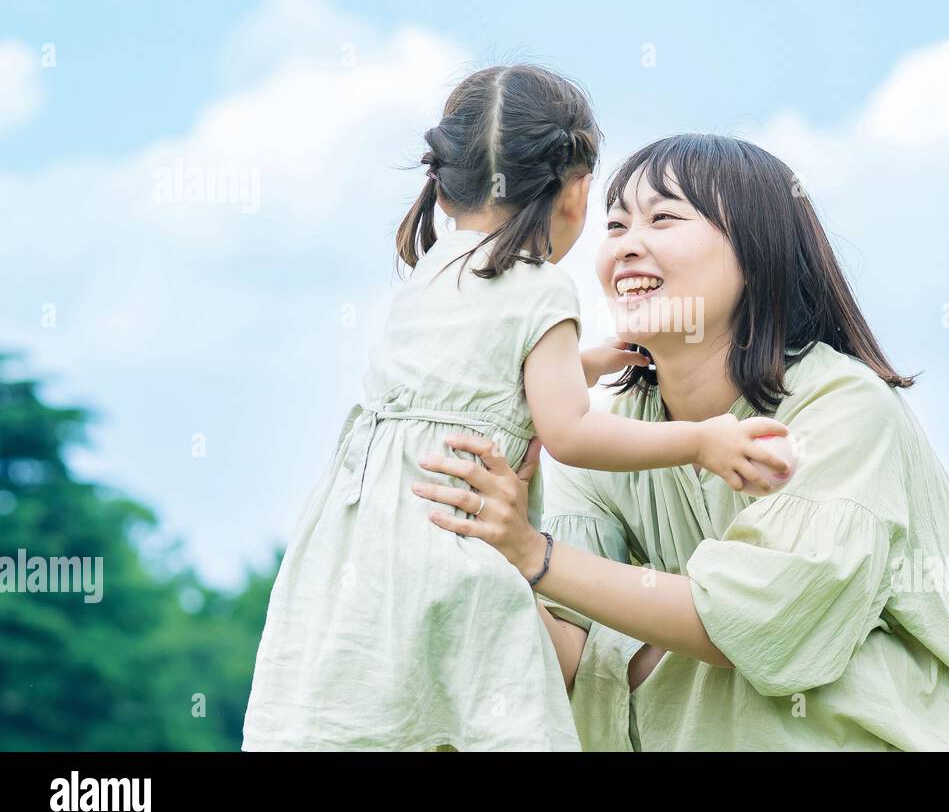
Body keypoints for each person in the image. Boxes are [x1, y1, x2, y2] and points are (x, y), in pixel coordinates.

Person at [414, 133, 949, 751]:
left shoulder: (841, 408)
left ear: (757, 252)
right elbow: (568, 655)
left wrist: (537, 556)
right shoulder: (605, 432)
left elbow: (766, 629)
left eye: (663, 219)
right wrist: (488, 539)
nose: (627, 246)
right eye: (615, 225)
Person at [242, 71, 789, 752]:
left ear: (444, 184)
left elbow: (476, 379)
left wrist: (586, 361)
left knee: (368, 714)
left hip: (363, 536)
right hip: (453, 536)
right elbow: (572, 432)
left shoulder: (429, 274)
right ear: (577, 193)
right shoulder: (539, 288)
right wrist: (701, 441)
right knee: (494, 717)